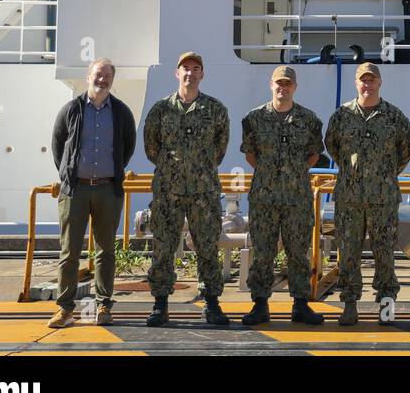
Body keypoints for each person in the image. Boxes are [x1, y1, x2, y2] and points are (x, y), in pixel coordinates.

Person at [142, 52, 231, 327]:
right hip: (168, 191)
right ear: (177, 73)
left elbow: (219, 150)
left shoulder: (215, 110)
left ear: (202, 74)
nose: (190, 73)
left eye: (195, 68)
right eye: (185, 68)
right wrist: (173, 169)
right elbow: (151, 148)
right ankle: (160, 305)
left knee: (207, 247)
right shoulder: (161, 110)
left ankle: (212, 303)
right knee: (163, 247)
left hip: (204, 192)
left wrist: (197, 169)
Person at [47, 58, 137, 328]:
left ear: (112, 80)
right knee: (69, 251)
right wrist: (69, 175)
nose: (102, 79)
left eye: (108, 75)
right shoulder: (71, 110)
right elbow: (58, 145)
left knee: (105, 251)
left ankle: (103, 305)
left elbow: (128, 146)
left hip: (108, 190)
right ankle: (65, 308)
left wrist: (112, 173)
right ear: (88, 77)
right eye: (98, 74)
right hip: (76, 190)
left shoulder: (121, 112)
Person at [325, 61, 410, 326]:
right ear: (356, 83)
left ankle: (386, 305)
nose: (367, 84)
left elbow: (404, 152)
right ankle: (349, 304)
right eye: (363, 80)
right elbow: (333, 147)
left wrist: (382, 175)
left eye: (372, 79)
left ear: (379, 82)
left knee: (384, 252)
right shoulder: (342, 116)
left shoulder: (394, 117)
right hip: (349, 197)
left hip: (383, 197)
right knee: (348, 252)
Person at [240, 65, 326, 326]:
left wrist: (293, 174)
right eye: (279, 83)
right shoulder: (254, 119)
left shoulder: (309, 120)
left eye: (288, 84)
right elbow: (250, 154)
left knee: (298, 252)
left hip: (297, 198)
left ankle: (300, 305)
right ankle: (260, 305)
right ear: (271, 85)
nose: (283, 88)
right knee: (263, 252)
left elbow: (314, 154)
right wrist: (270, 175)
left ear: (295, 87)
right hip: (264, 198)